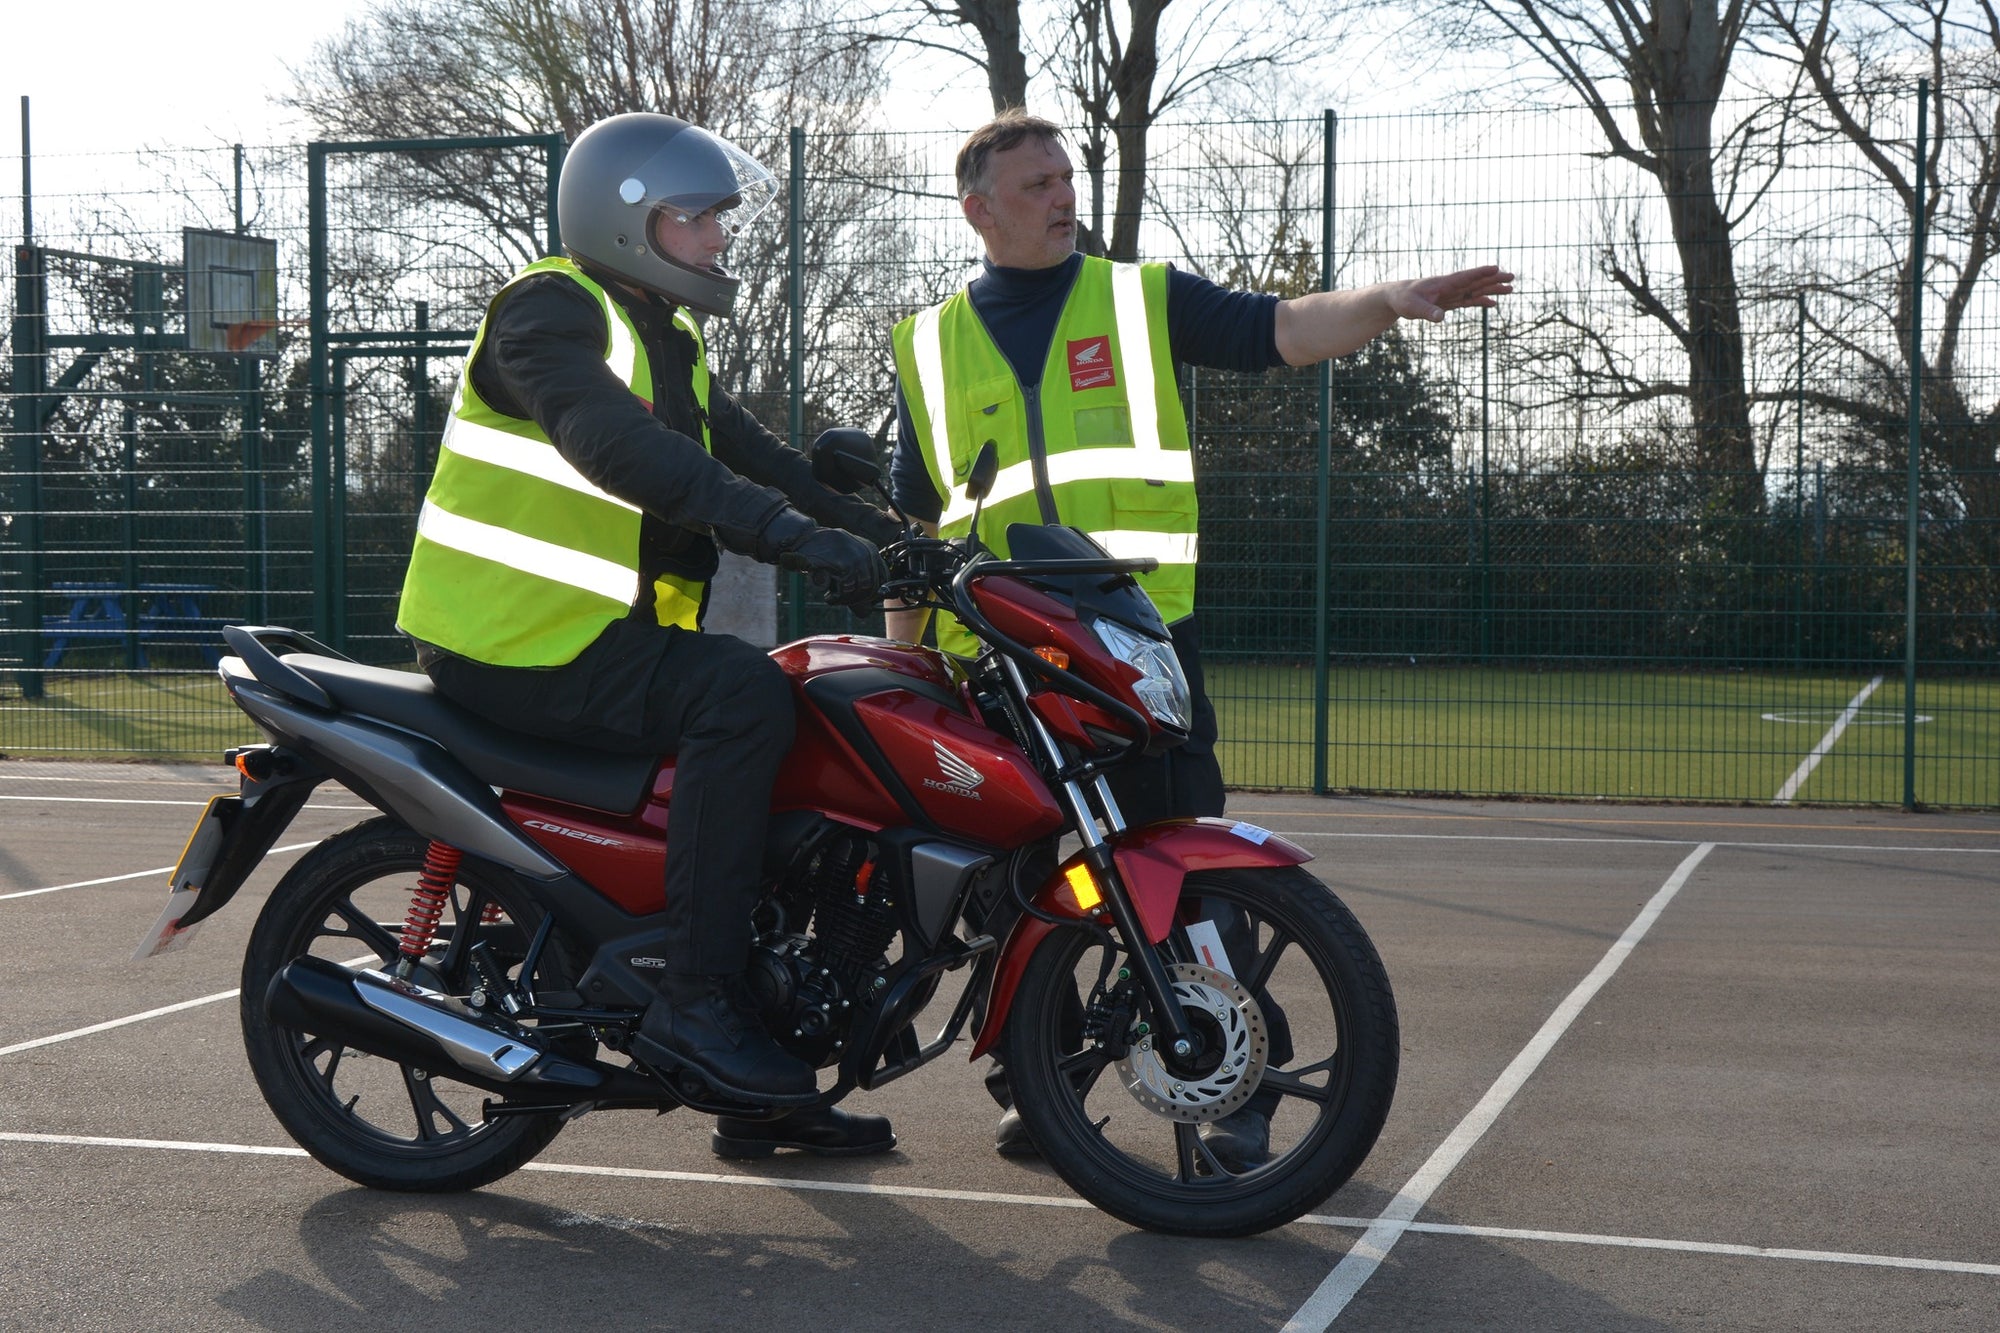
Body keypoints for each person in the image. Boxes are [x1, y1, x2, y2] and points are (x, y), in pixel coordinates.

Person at [884, 111, 1511, 1167]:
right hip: (996, 659)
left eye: (1064, 177)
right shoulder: (925, 344)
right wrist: (908, 660)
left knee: (1175, 867)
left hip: (1130, 643)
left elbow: (1281, 328)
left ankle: (1241, 1088)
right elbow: (914, 524)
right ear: (977, 209)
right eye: (1035, 184)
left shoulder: (1136, 299)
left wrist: (1385, 304)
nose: (1060, 196)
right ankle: (1045, 1080)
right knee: (1010, 886)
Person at [397, 112, 904, 1159]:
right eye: (699, 216)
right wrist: (791, 540)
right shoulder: (547, 317)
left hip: (590, 641)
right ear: (628, 221)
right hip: (512, 644)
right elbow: (617, 448)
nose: (721, 235)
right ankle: (696, 999)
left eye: (721, 213)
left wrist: (896, 544)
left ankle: (758, 1069)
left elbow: (759, 456)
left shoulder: (664, 334)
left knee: (810, 728)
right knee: (743, 692)